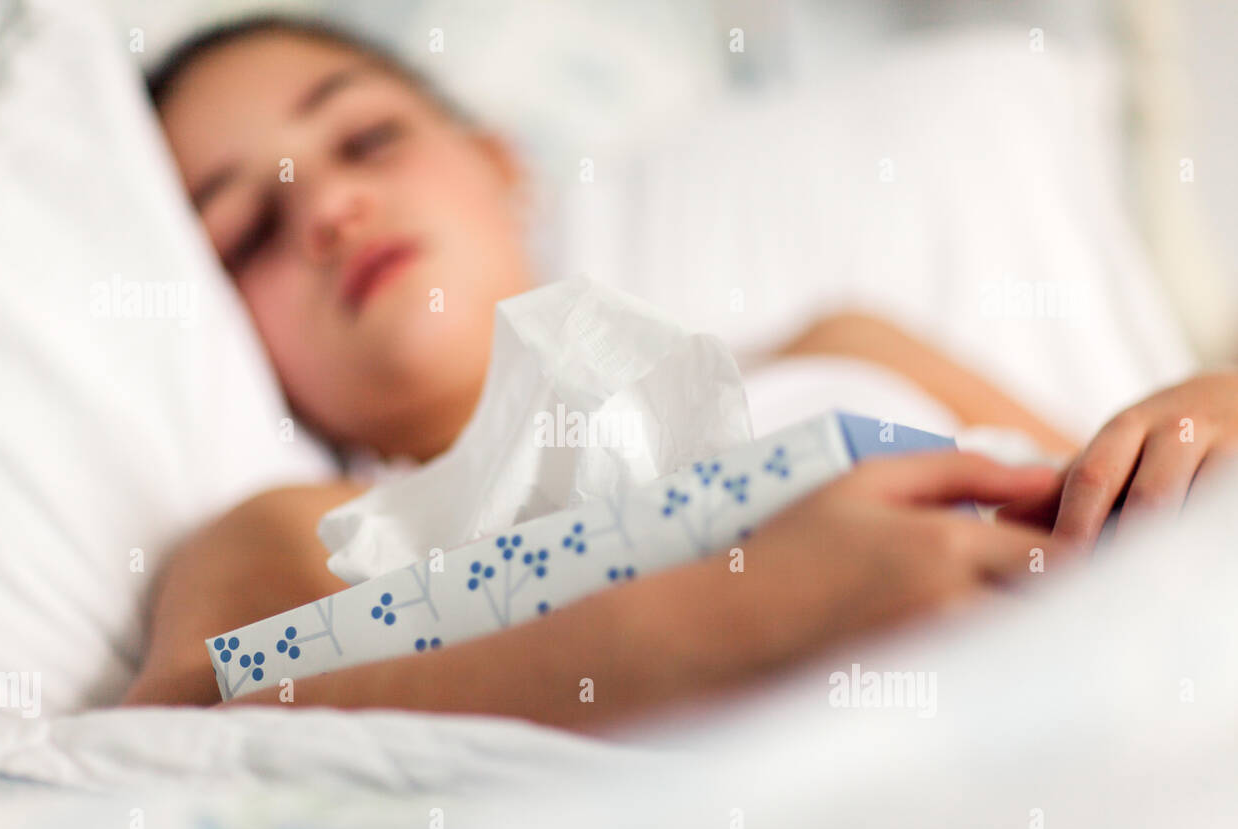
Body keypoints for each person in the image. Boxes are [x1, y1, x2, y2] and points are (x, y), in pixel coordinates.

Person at [119, 16, 1238, 729]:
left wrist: (1205, 418)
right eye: (247, 230)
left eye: (365, 140)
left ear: (499, 164)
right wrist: (732, 619)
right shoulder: (288, 530)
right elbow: (185, 721)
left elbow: (1115, 480)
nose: (326, 205)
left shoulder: (847, 346)